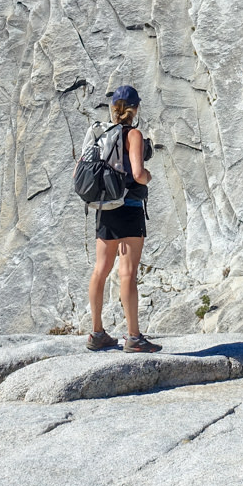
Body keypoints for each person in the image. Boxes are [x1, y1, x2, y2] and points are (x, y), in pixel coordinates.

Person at [86, 85, 160, 352]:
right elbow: (138, 174)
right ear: (135, 109)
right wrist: (148, 178)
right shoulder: (133, 134)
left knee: (100, 269)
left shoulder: (102, 133)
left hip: (104, 207)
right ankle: (134, 337)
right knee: (127, 271)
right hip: (128, 207)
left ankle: (96, 333)